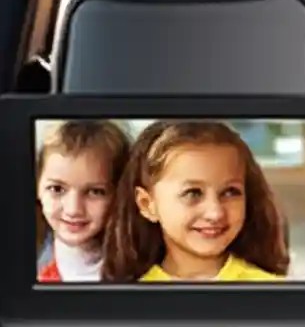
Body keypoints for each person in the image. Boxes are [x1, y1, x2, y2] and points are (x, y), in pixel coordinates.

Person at [102, 121, 289, 282]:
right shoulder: (127, 299)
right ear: (146, 204)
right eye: (193, 193)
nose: (215, 213)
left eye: (231, 192)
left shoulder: (274, 290)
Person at [35, 120, 131, 282]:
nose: (73, 209)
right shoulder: (26, 270)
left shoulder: (140, 267)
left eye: (95, 192)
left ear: (119, 194)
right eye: (57, 189)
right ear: (37, 186)